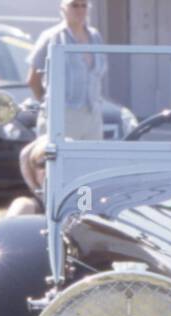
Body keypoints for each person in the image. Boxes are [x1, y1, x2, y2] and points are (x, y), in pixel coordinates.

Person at [20, 0, 107, 192]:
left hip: (91, 114)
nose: (80, 10)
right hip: (62, 116)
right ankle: (55, 217)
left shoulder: (95, 36)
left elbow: (97, 75)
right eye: (74, 5)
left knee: (89, 172)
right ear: (63, 9)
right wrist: (49, 104)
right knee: (58, 172)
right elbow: (32, 79)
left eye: (84, 5)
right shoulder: (52, 37)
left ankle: (85, 216)